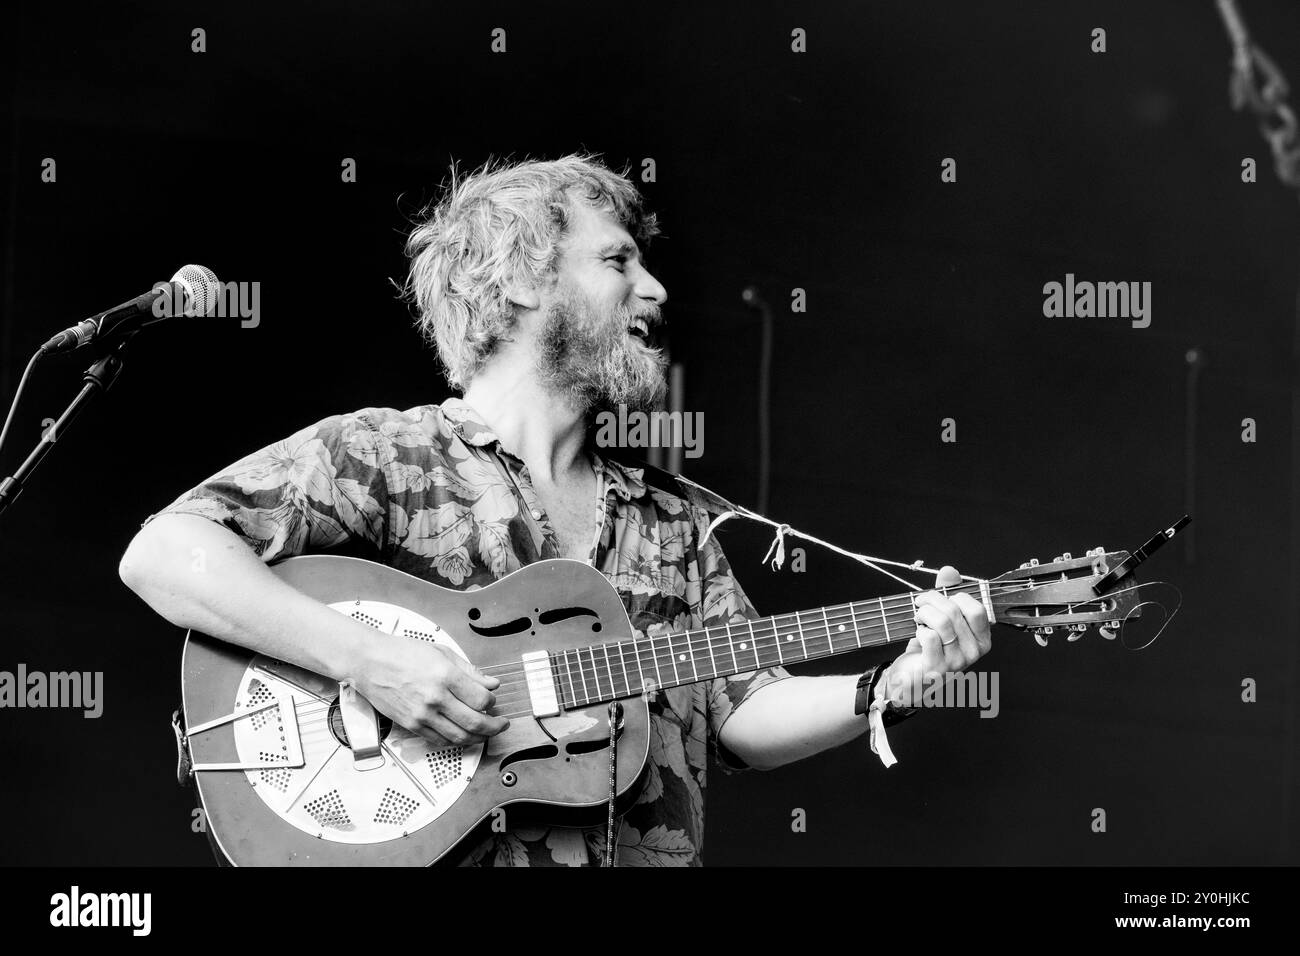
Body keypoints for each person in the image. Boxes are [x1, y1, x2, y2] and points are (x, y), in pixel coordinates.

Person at [118, 154, 992, 866]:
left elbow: (742, 711)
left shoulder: (674, 519)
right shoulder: (385, 454)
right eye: (618, 261)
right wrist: (370, 661)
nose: (653, 291)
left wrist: (888, 686)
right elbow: (165, 553)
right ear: (524, 281)